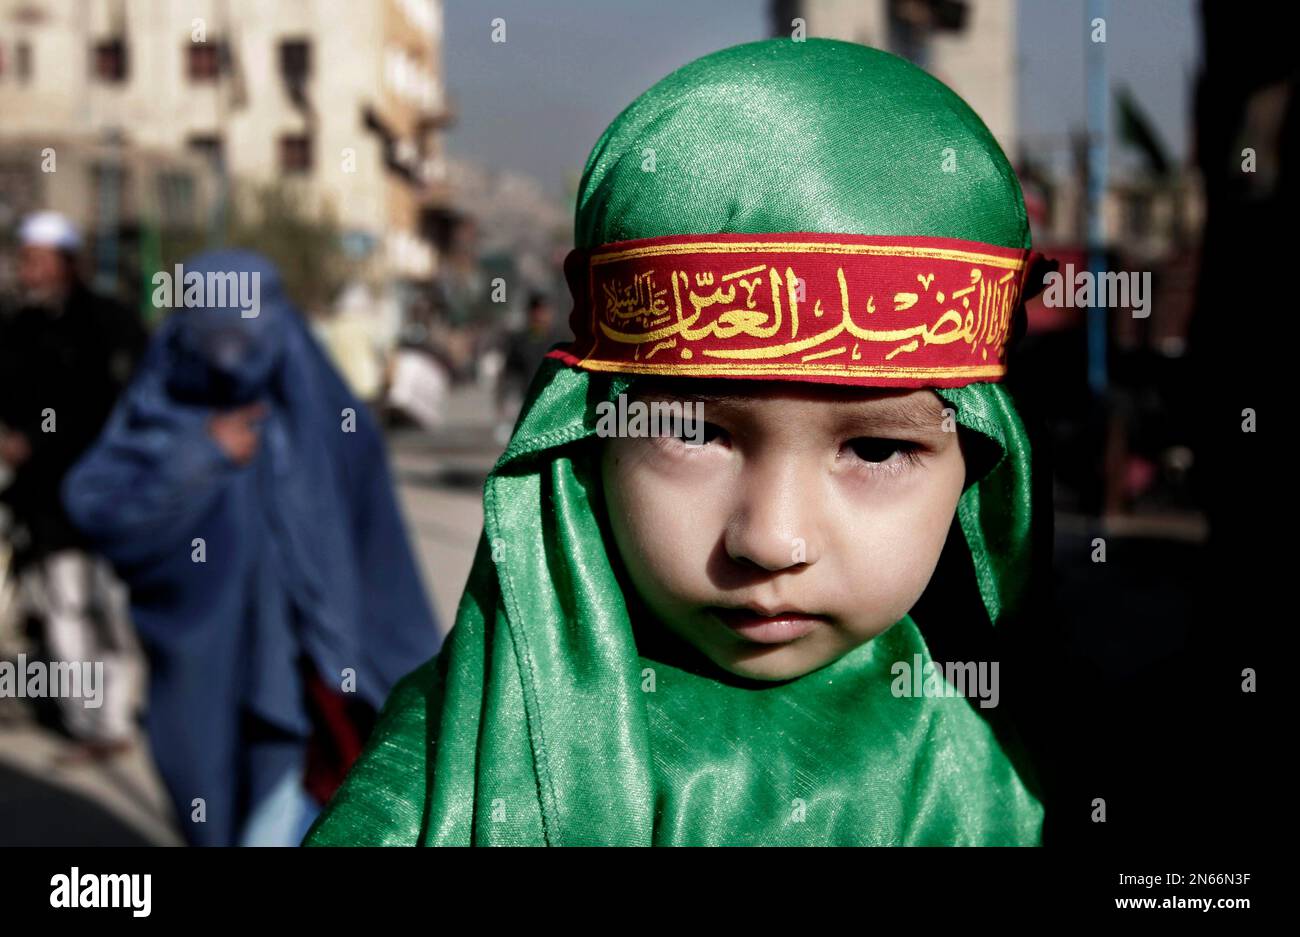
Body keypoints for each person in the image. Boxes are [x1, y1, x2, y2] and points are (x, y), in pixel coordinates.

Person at [304, 38, 1051, 846]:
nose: (771, 540)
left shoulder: (977, 776)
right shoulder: (455, 754)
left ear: (981, 469)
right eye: (693, 431)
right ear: (587, 440)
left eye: (874, 451)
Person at [61, 249, 441, 846]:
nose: (232, 348)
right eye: (215, 326)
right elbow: (97, 509)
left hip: (322, 688)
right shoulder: (163, 412)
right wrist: (196, 458)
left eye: (248, 324)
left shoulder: (331, 421)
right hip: (207, 672)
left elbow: (380, 557)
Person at [0, 211, 146, 755]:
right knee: (63, 607)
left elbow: (121, 406)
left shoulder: (108, 321)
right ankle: (87, 724)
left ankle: (116, 719)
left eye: (40, 260)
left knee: (112, 608)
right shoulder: (17, 327)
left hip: (109, 497)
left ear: (66, 262)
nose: (30, 271)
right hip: (43, 503)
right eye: (26, 260)